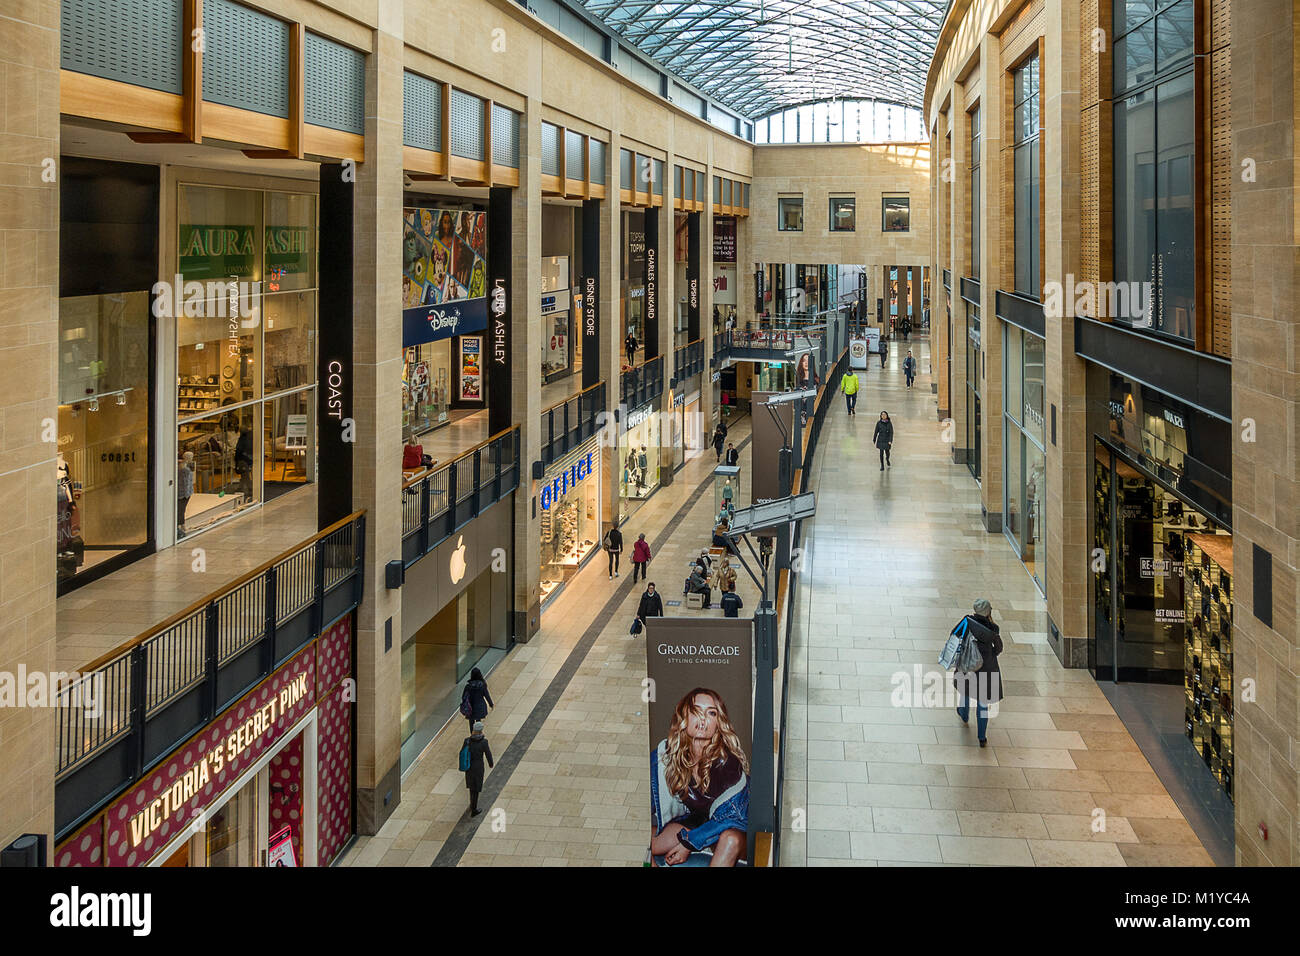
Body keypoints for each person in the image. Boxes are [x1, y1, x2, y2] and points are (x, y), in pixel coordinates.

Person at [650, 688, 750, 867]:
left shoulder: (727, 763)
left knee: (730, 839)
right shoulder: (665, 756)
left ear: (718, 722)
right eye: (696, 712)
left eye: (711, 713)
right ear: (684, 718)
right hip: (696, 827)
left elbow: (729, 819)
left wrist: (689, 843)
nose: (703, 719)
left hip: (737, 832)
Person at [953, 599, 1004, 747]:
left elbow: (954, 635)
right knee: (983, 702)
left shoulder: (967, 622)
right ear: (989, 612)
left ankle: (964, 714)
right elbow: (999, 648)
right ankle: (982, 737)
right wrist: (990, 654)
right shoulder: (993, 629)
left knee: (966, 691)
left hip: (968, 664)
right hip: (987, 667)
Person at [462, 721, 494, 816]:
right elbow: (488, 754)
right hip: (478, 767)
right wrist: (490, 763)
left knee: (472, 787)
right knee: (476, 788)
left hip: (469, 767)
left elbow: (463, 752)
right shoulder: (484, 742)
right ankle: (474, 809)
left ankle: (472, 804)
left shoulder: (467, 741)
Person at [177, 451, 195, 535]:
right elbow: (184, 482)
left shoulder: (188, 466)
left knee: (182, 509)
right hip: (183, 493)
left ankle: (181, 524)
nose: (191, 458)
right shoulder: (183, 468)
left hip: (187, 492)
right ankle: (180, 525)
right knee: (181, 509)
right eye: (190, 456)